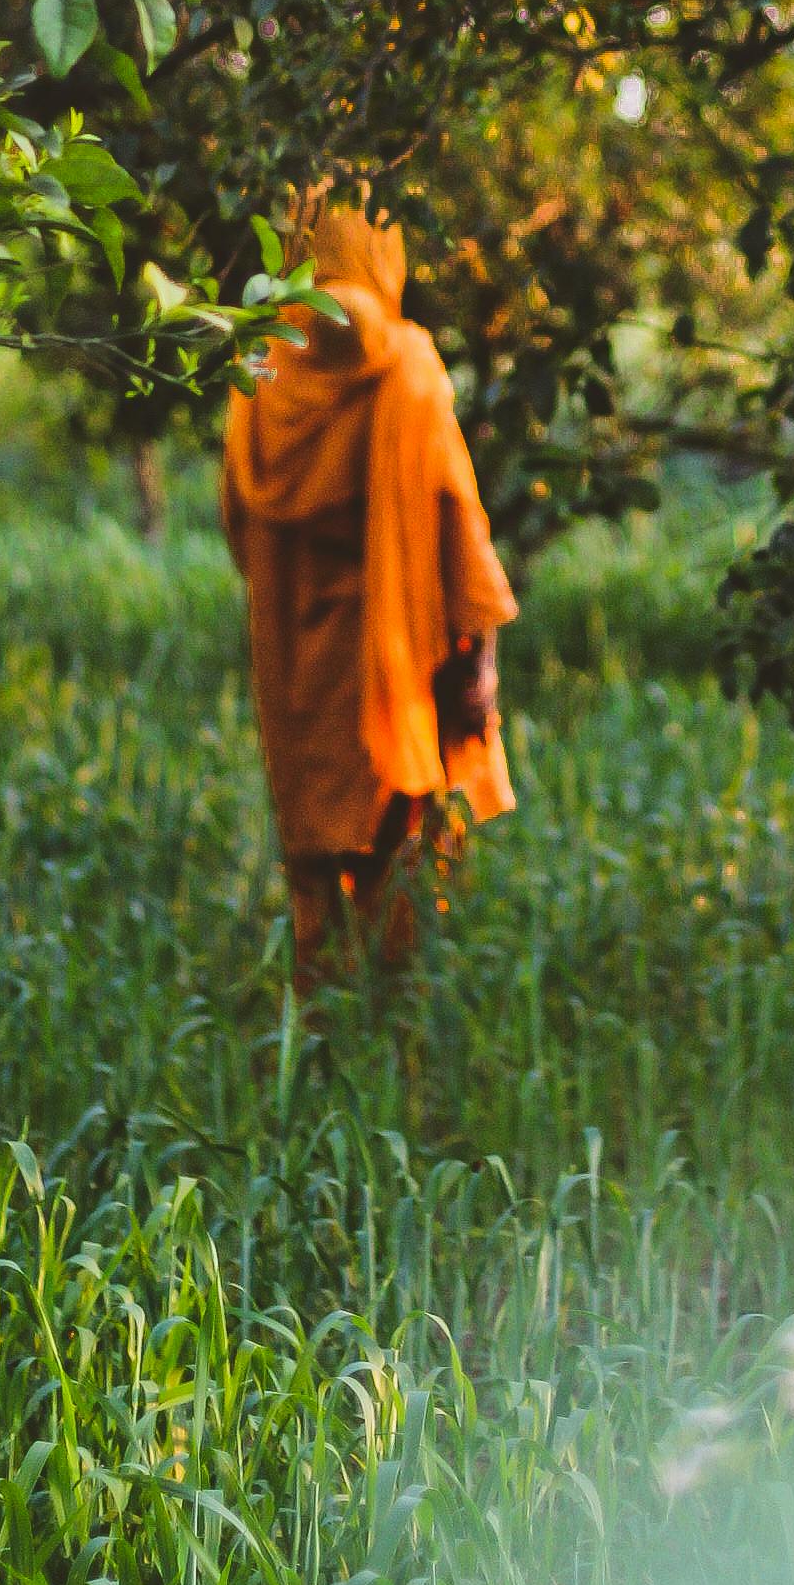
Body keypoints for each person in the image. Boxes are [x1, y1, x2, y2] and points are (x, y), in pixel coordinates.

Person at [221, 200, 518, 993]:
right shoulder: (409, 368)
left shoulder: (258, 366)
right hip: (397, 660)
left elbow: (235, 526)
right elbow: (460, 522)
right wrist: (481, 660)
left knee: (315, 847)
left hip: (296, 659)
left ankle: (318, 1025)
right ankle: (396, 1026)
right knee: (401, 843)